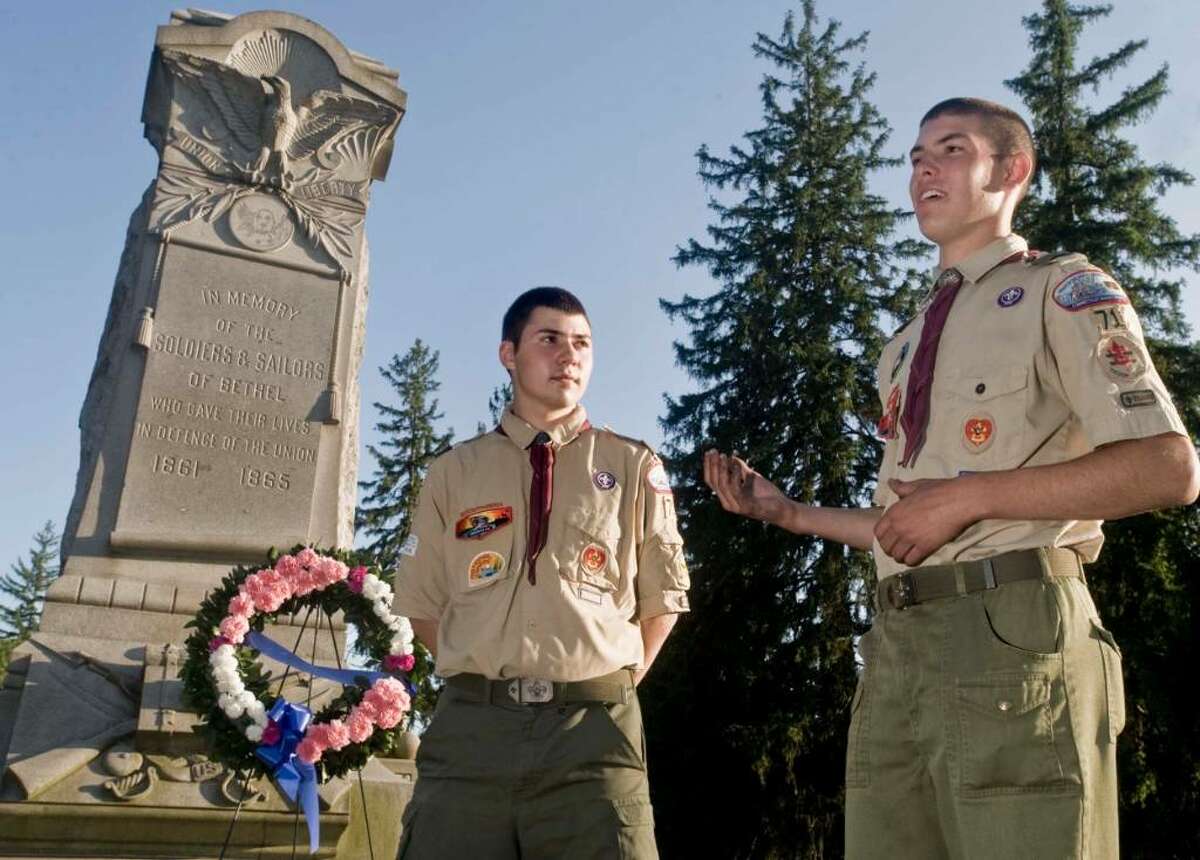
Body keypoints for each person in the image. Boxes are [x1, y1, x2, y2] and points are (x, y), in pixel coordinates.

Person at [703, 97, 1199, 859]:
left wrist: (972, 497)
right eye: (916, 156)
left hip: (1013, 630)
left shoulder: (1061, 289)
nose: (923, 169)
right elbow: (913, 519)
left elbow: (1167, 468)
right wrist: (789, 513)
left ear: (1011, 170)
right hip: (897, 646)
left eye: (952, 149)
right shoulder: (903, 347)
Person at [393, 286, 690, 859]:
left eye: (582, 343)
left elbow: (664, 599)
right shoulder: (454, 472)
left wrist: (608, 684)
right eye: (550, 339)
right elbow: (422, 604)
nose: (568, 356)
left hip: (593, 739)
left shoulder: (633, 465)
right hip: (472, 738)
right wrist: (483, 668)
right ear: (509, 354)